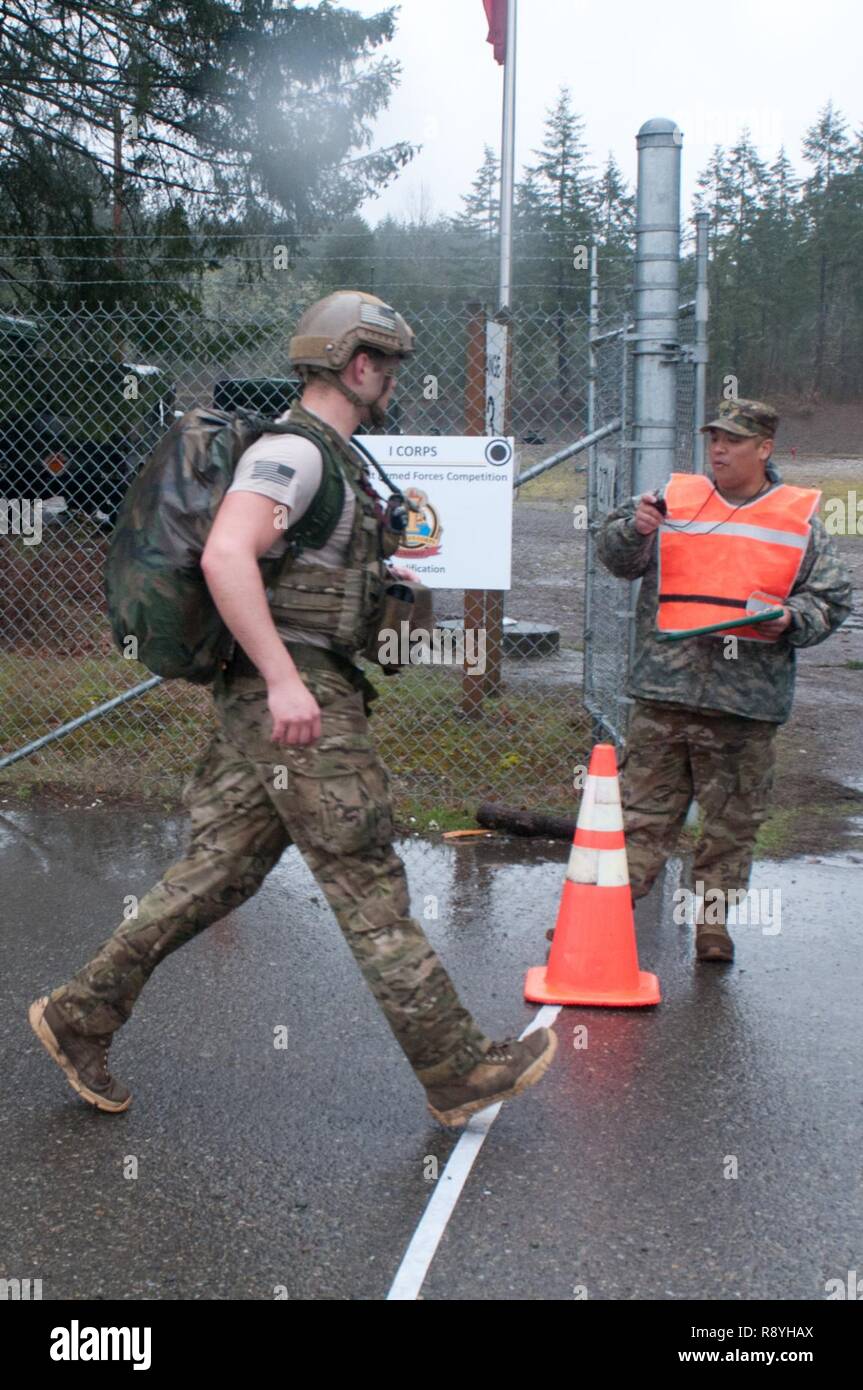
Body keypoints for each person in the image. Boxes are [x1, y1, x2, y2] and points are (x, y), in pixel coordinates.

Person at [29, 290, 556, 1125]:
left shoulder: (338, 460)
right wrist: (282, 679)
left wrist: (378, 590)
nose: (392, 382)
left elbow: (292, 570)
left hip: (299, 687)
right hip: (293, 696)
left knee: (218, 871)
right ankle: (455, 1069)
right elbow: (228, 555)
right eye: (387, 365)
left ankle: (76, 1016)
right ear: (357, 364)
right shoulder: (295, 453)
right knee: (361, 866)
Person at [595, 398, 853, 962]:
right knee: (640, 818)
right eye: (714, 437)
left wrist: (792, 619)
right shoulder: (672, 499)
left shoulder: (796, 516)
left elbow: (831, 599)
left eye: (733, 440)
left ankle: (712, 928)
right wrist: (634, 529)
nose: (719, 449)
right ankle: (601, 922)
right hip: (664, 693)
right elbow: (614, 556)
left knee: (732, 825)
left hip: (745, 704)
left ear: (764, 449)